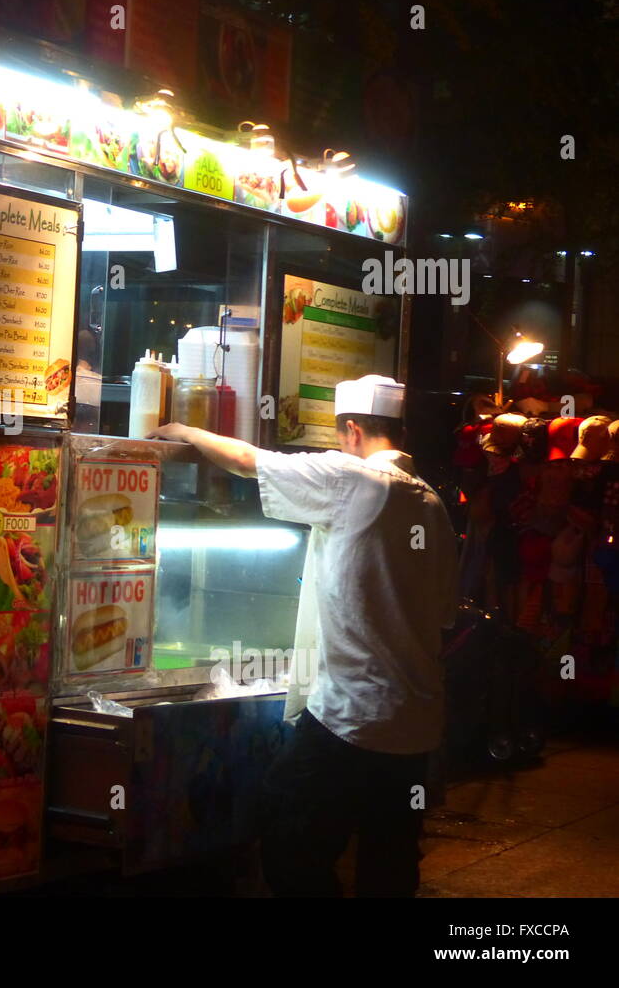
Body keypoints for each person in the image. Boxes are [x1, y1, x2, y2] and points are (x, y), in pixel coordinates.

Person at [148, 374, 458, 897]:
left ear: (352, 430)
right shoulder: (433, 504)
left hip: (351, 718)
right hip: (415, 723)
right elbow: (444, 616)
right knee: (391, 857)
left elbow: (249, 461)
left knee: (291, 837)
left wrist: (186, 431)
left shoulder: (353, 479)